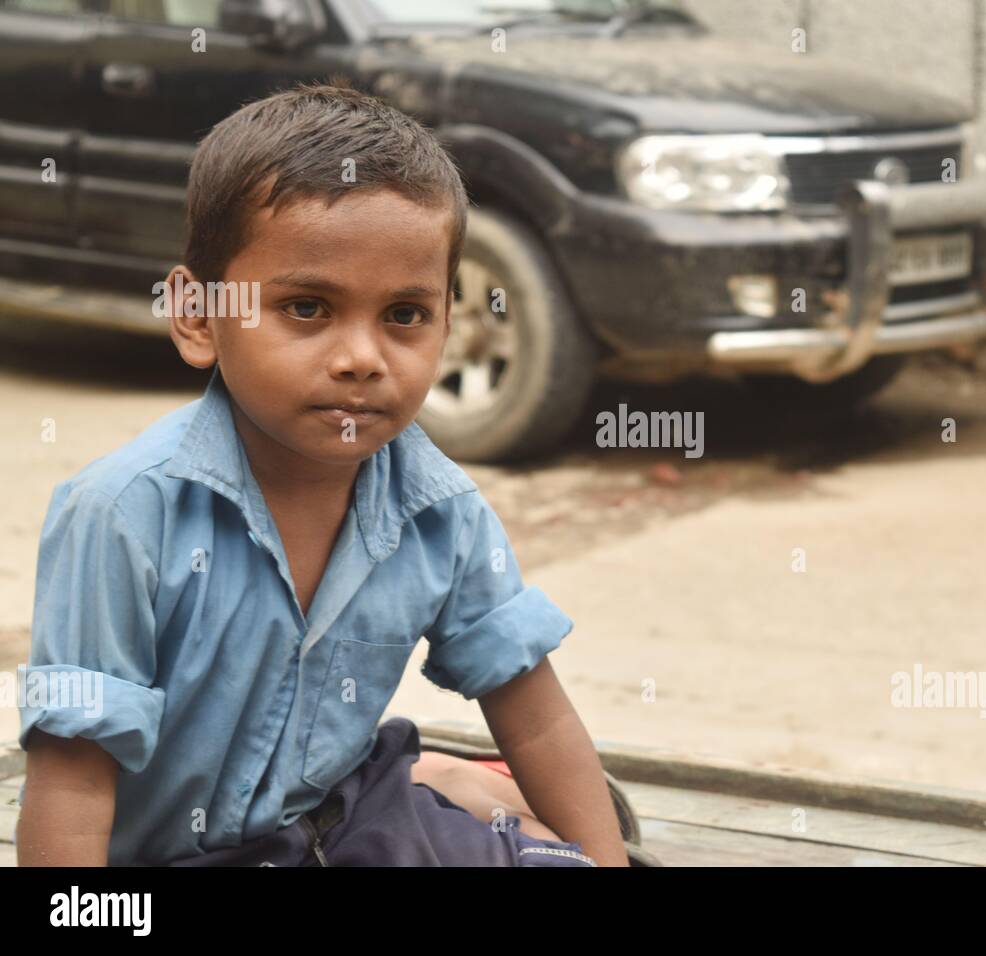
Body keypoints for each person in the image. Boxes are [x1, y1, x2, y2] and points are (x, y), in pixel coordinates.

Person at [14, 81, 628, 867]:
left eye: (405, 315)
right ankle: (447, 786)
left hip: (343, 819)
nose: (362, 359)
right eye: (307, 308)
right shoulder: (123, 514)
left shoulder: (439, 508)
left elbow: (536, 716)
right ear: (199, 316)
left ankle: (439, 787)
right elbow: (70, 780)